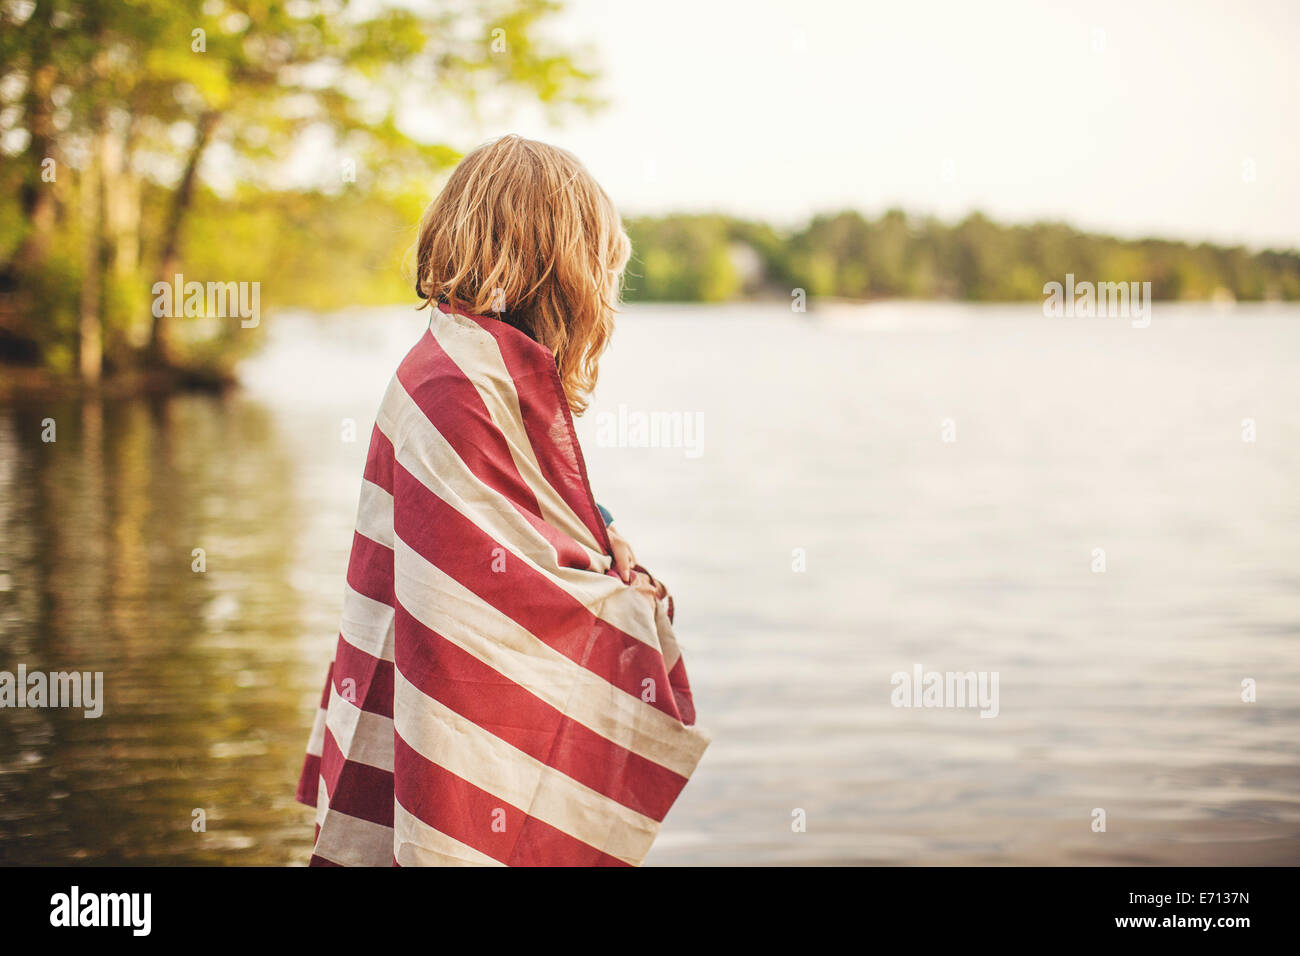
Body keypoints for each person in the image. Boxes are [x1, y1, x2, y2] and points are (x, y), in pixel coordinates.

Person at [296, 135, 708, 866]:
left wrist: (598, 548)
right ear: (561, 264)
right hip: (442, 737)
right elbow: (494, 602)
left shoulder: (465, 363)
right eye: (598, 266)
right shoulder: (458, 381)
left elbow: (512, 548)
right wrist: (630, 598)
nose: (604, 292)